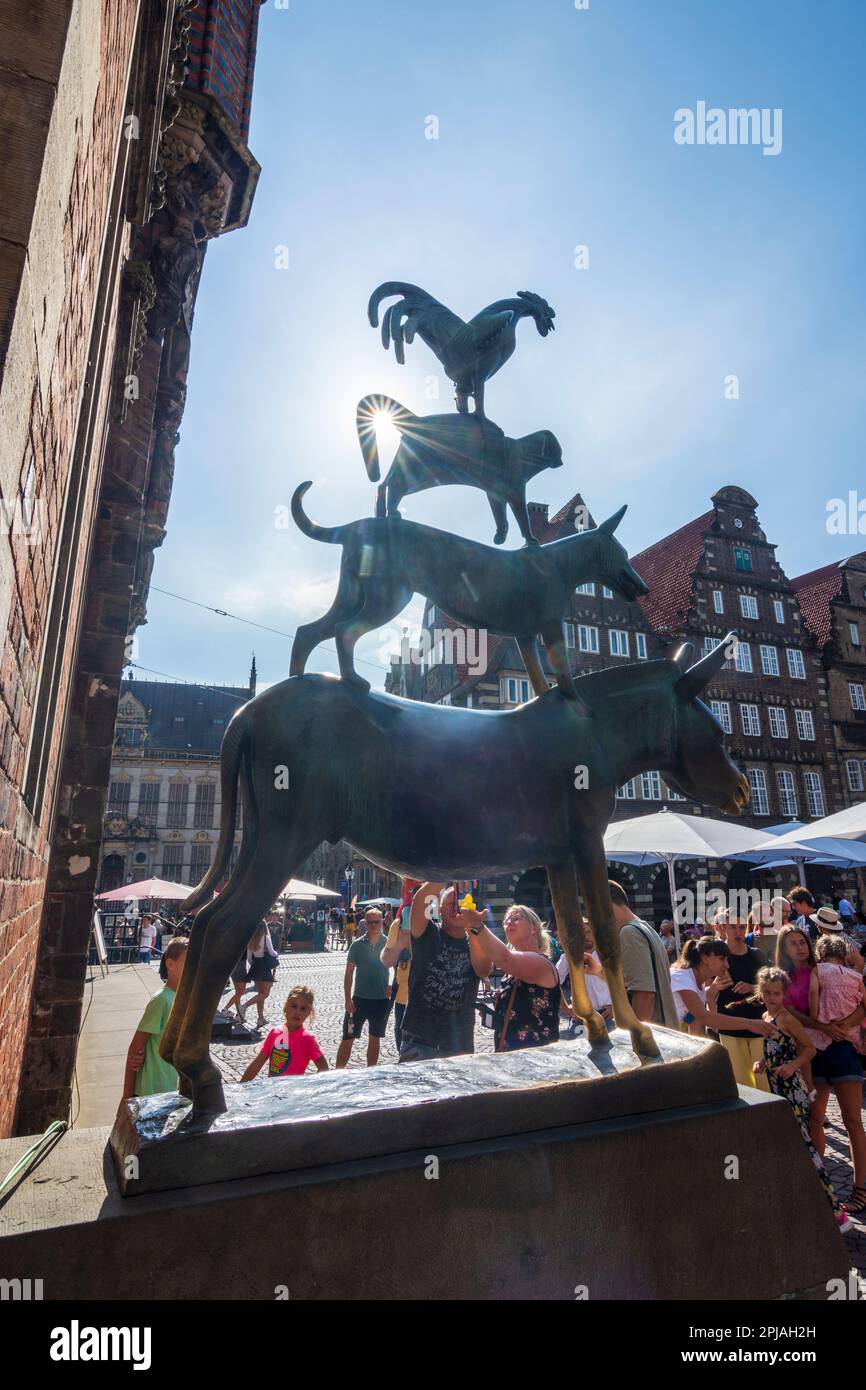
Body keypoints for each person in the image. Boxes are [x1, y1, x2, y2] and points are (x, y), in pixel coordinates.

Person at [751, 967, 851, 1233]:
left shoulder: (785, 1018)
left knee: (806, 1147)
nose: (771, 997)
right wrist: (763, 1062)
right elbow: (780, 1048)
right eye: (767, 992)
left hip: (791, 1089)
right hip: (777, 1087)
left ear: (785, 995)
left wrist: (792, 1067)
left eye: (776, 993)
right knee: (792, 1146)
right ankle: (808, 1203)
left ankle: (835, 1211)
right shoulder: (765, 1016)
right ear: (760, 992)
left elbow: (808, 1049)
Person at [394, 882, 489, 1062]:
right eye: (450, 904)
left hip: (459, 1043)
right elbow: (420, 900)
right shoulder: (429, 933)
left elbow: (483, 969)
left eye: (460, 904)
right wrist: (447, 874)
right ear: (439, 910)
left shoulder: (476, 941)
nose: (456, 909)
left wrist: (472, 927)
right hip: (420, 1040)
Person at [470, 904, 560, 1052]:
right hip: (510, 1058)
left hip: (536, 1061)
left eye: (516, 918)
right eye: (506, 921)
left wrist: (478, 926)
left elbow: (505, 959)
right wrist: (471, 929)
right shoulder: (511, 971)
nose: (509, 922)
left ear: (534, 928)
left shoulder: (539, 962)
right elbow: (482, 970)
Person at [121, 937, 189, 1101]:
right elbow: (135, 1049)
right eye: (188, 962)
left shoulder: (181, 998)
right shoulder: (162, 1000)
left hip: (169, 1088)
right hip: (150, 1091)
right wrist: (126, 1099)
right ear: (171, 964)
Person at [712, 909, 771, 1092]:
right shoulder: (715, 957)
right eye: (733, 927)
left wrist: (753, 987)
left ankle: (769, 1118)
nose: (738, 932)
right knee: (741, 1083)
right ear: (724, 928)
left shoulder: (757, 955)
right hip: (730, 1025)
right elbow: (703, 991)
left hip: (758, 1023)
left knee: (764, 1081)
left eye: (741, 927)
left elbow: (772, 988)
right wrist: (715, 986)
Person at [608, 880, 679, 1028]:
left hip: (654, 1039)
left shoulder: (629, 932)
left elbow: (644, 994)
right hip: (665, 1031)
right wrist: (598, 971)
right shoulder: (644, 927)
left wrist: (634, 1038)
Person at [336, 906, 390, 1067]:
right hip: (359, 1000)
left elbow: (398, 967)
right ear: (365, 923)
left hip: (381, 1000)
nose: (373, 925)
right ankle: (336, 1073)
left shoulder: (388, 943)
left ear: (382, 922)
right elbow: (348, 974)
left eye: (376, 922)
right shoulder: (357, 945)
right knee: (348, 1037)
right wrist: (347, 999)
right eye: (370, 922)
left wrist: (391, 984)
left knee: (375, 1037)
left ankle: (371, 1072)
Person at [240, 985, 329, 1080]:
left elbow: (324, 1069)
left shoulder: (307, 1039)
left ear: (309, 1013)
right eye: (294, 1006)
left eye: (303, 1009)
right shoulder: (275, 1033)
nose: (298, 1012)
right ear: (286, 1006)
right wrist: (241, 1087)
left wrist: (308, 1089)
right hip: (273, 1091)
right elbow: (257, 1063)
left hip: (292, 1093)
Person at [381, 880, 421, 1054]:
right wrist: (402, 943)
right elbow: (386, 960)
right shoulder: (398, 925)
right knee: (403, 1051)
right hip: (403, 999)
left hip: (428, 1001)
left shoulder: (435, 923)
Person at [668, 936, 733, 1035]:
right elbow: (704, 1017)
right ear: (705, 958)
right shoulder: (681, 977)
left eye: (727, 960)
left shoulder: (699, 988)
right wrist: (750, 1024)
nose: (727, 965)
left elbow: (691, 1022)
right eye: (722, 959)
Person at [239, 921, 279, 1030]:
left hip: (255, 966)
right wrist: (276, 954)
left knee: (260, 994)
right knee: (265, 994)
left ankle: (260, 1019)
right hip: (264, 966)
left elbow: (249, 958)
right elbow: (272, 953)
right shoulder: (266, 938)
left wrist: (255, 965)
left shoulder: (251, 939)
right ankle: (244, 1006)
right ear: (264, 927)